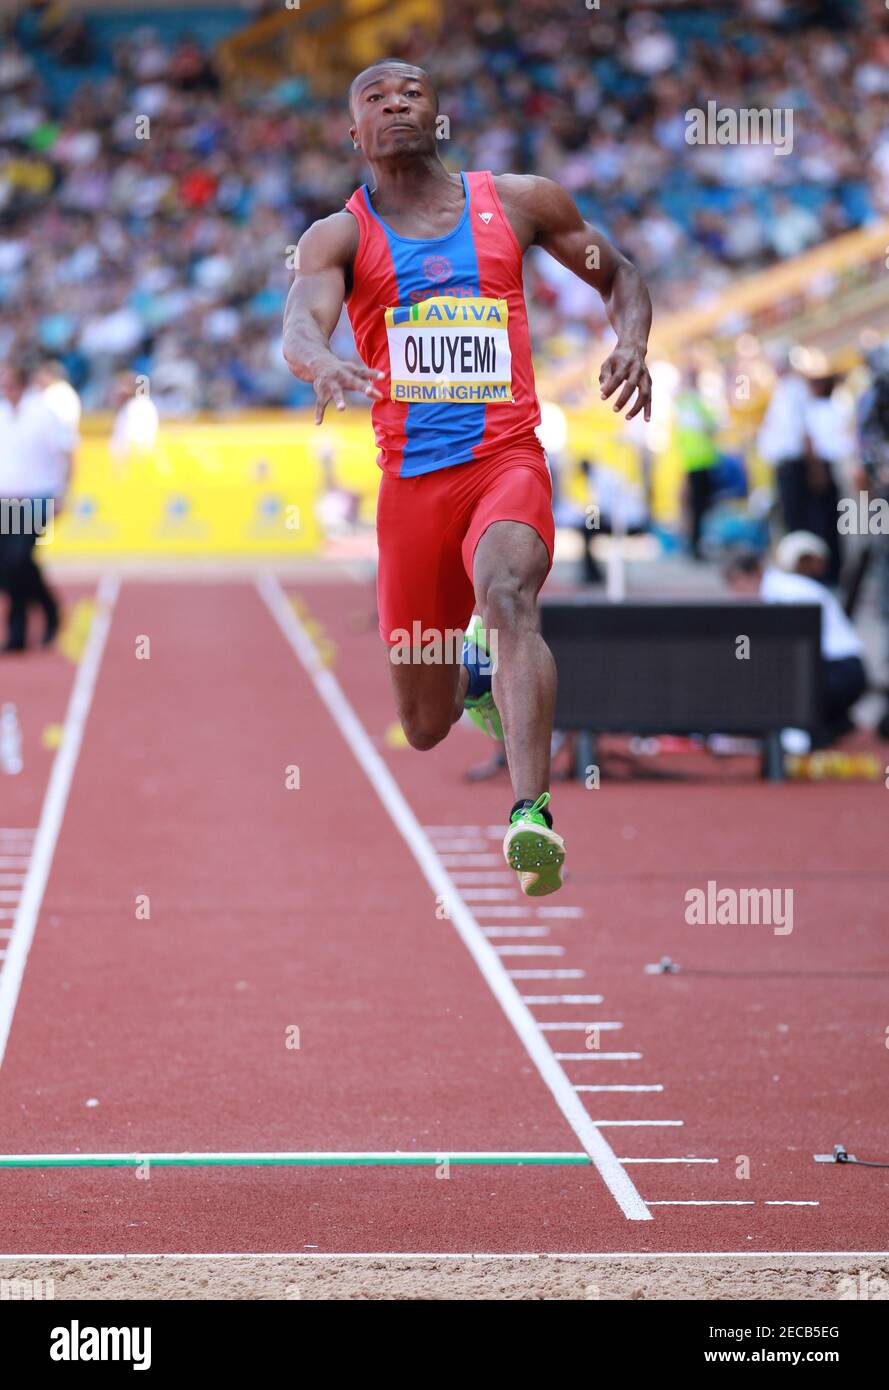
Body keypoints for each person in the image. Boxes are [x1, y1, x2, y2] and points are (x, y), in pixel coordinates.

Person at [282, 60, 653, 896]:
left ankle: (531, 814)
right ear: (353, 134)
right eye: (374, 97)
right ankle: (473, 674)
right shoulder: (337, 237)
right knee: (424, 724)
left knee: (509, 597)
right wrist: (320, 361)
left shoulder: (519, 203)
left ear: (438, 114)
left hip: (504, 461)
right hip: (412, 487)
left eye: (411, 92)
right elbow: (300, 322)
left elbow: (619, 274)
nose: (395, 103)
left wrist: (630, 342)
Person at [724, 532, 867, 747]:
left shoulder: (786, 593)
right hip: (833, 667)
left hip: (840, 671)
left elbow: (789, 655)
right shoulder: (779, 590)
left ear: (755, 573)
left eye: (739, 585)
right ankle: (830, 725)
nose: (738, 594)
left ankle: (804, 737)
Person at [0, 359, 75, 652]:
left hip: (36, 498)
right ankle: (47, 609)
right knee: (11, 565)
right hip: (6, 500)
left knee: (18, 559)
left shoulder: (43, 412)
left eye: (10, 381)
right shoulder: (2, 412)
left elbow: (67, 451)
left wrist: (62, 493)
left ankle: (19, 630)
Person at [673, 366, 718, 560]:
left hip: (691, 461)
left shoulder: (683, 402)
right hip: (697, 461)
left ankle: (692, 543)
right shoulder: (694, 402)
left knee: (692, 506)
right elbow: (712, 426)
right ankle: (694, 544)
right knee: (697, 506)